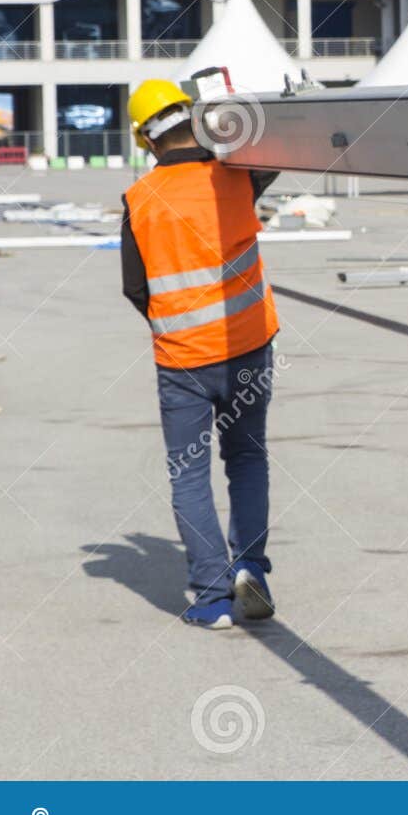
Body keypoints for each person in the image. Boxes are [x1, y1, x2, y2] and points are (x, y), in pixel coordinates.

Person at [120, 79, 282, 630]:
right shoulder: (238, 173)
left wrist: (176, 322)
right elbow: (275, 142)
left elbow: (135, 289)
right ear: (194, 117)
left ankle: (213, 597)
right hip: (249, 349)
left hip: (184, 361)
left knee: (189, 475)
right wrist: (229, 109)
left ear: (145, 139)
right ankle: (251, 570)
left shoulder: (139, 200)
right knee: (246, 458)